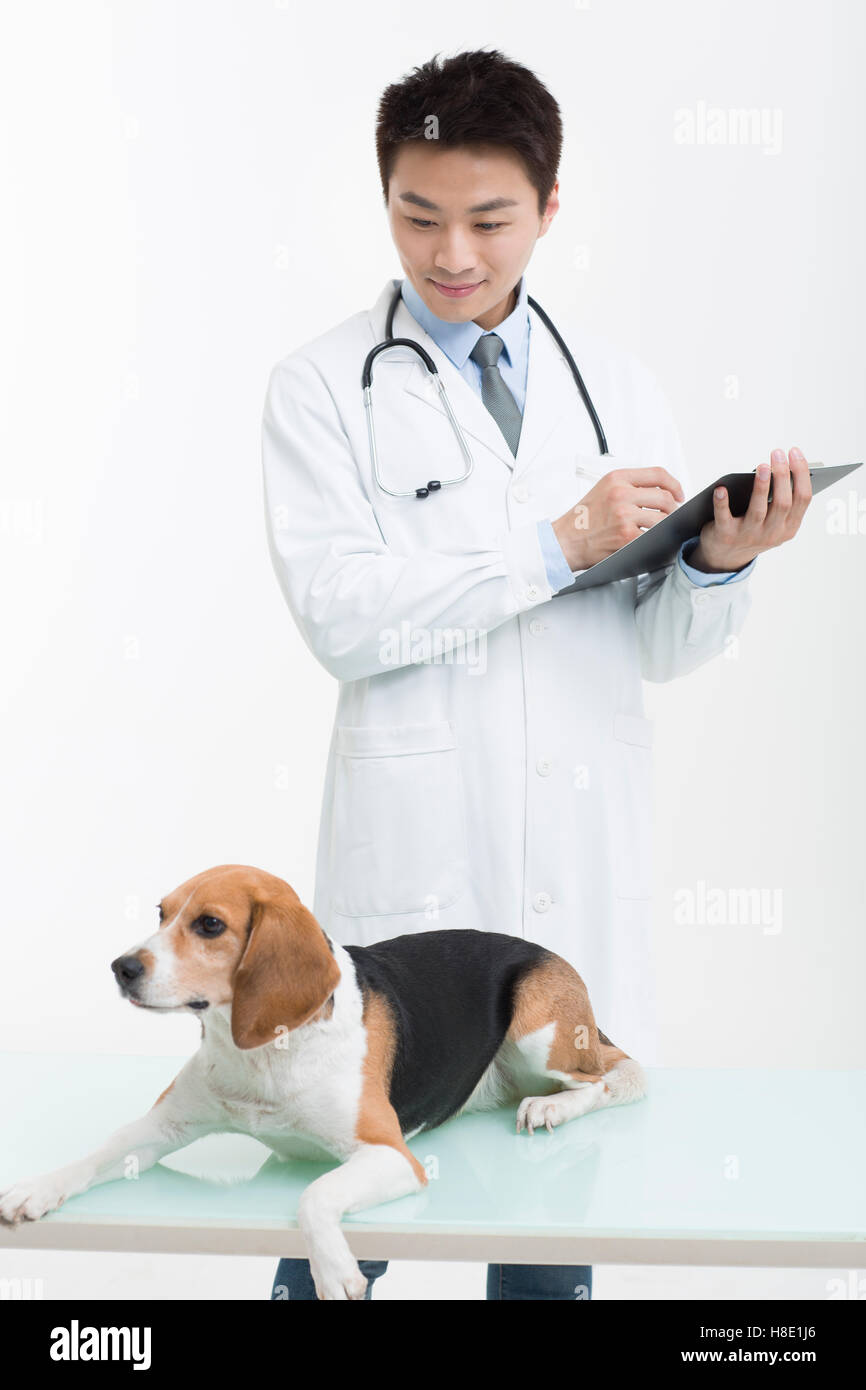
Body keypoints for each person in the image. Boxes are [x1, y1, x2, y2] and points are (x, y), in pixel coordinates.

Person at [261, 49, 812, 1301]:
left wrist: (715, 567)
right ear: (384, 197)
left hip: (572, 872)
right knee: (352, 1214)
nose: (451, 252)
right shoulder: (317, 390)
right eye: (418, 214)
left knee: (549, 1243)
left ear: (549, 209)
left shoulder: (614, 387)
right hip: (416, 865)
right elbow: (340, 617)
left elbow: (655, 651)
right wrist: (550, 543)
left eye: (489, 219)